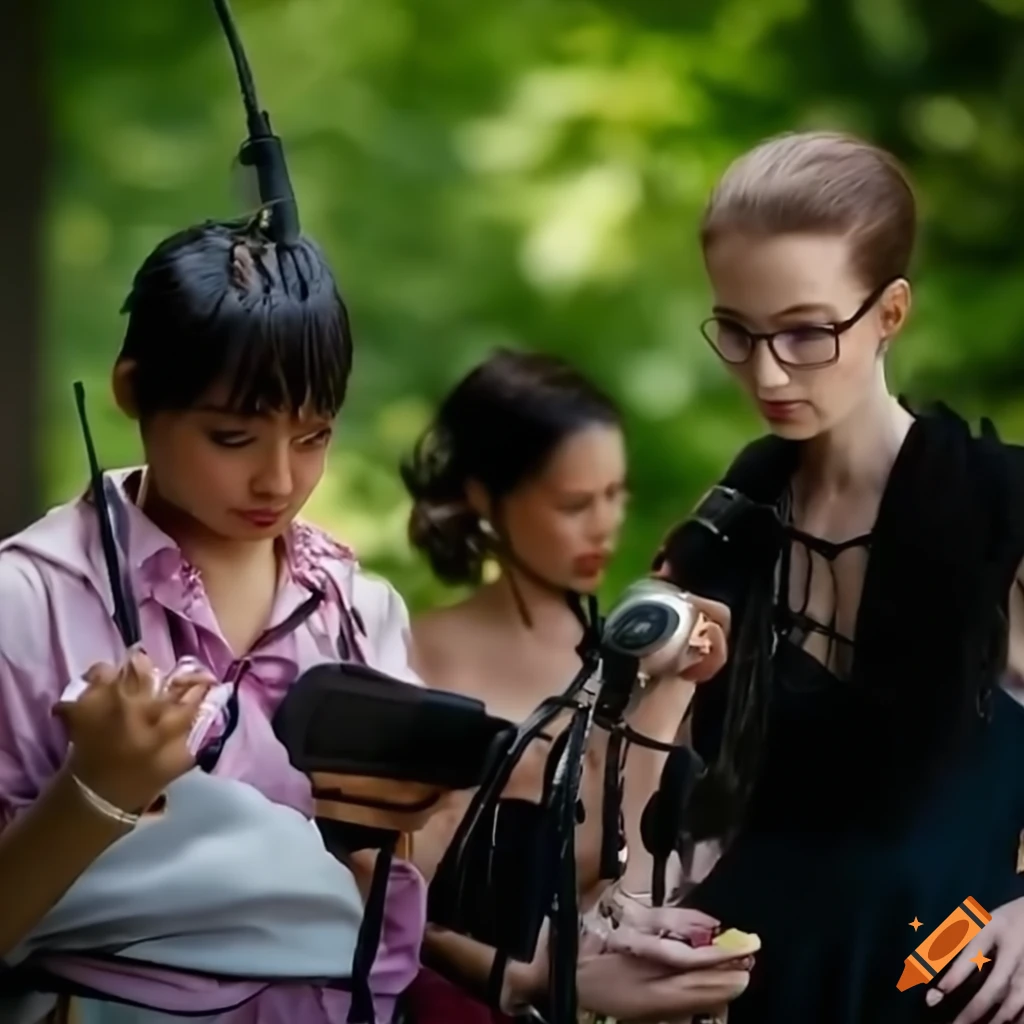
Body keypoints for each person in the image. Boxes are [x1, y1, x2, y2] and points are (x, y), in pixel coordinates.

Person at [0, 216, 429, 1024]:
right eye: (232, 436)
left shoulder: (358, 612)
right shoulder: (25, 603)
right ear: (133, 392)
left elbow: (397, 904)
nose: (278, 478)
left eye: (313, 437)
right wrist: (96, 791)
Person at [658, 130, 1024, 1024]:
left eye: (806, 331)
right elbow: (671, 814)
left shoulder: (1003, 508)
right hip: (750, 992)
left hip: (945, 992)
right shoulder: (722, 530)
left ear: (890, 312)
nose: (767, 370)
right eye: (737, 332)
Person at [399, 348, 754, 1023]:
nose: (604, 524)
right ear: (483, 496)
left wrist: (678, 683)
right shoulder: (411, 651)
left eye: (615, 495)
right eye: (574, 503)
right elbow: (394, 894)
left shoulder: (630, 646)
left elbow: (633, 858)